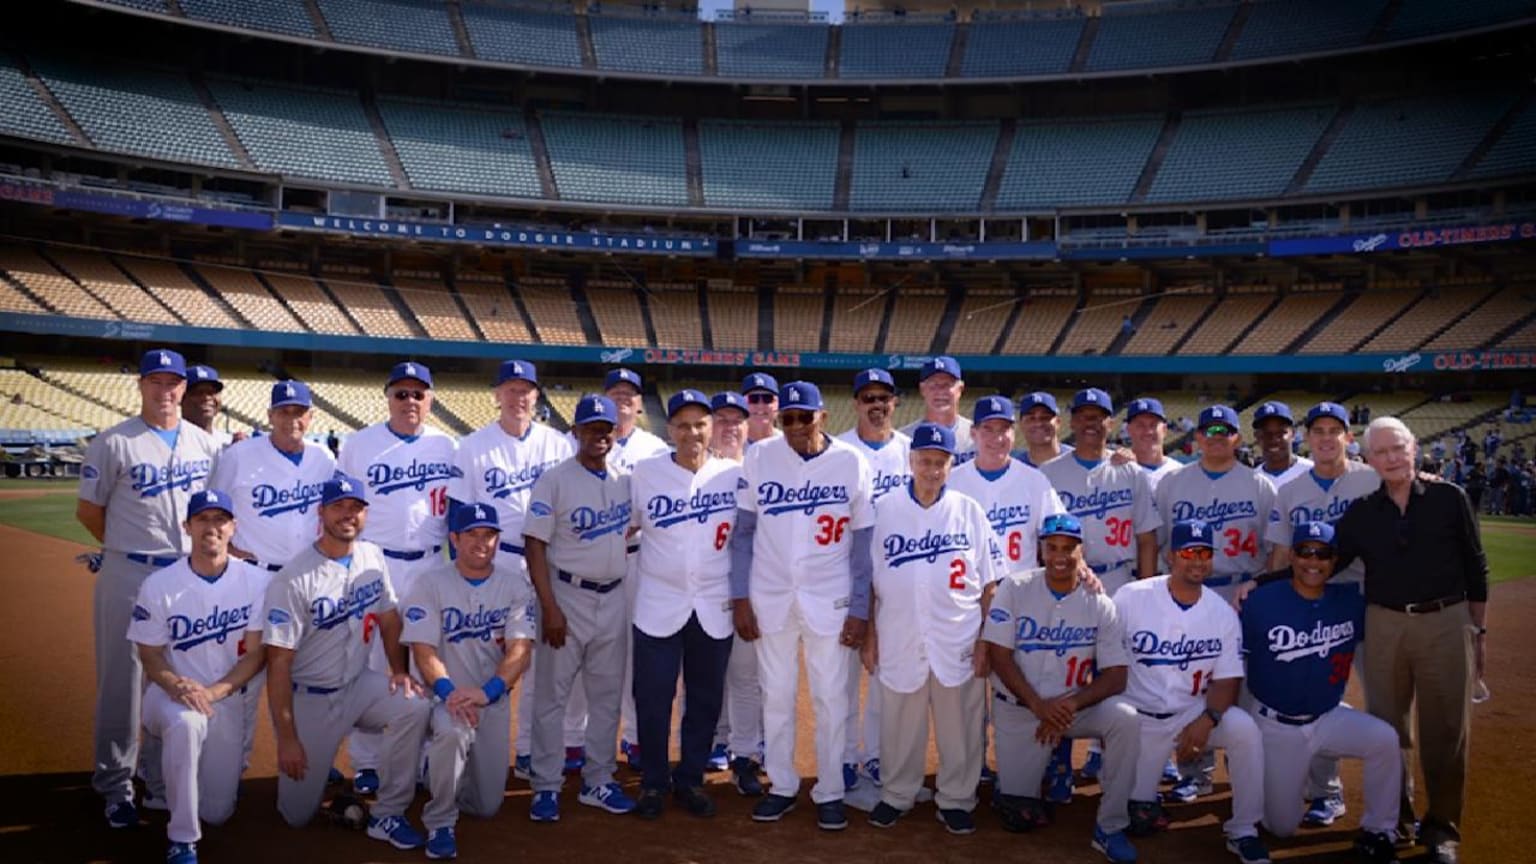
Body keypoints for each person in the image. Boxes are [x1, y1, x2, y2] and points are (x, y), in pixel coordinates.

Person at [1334, 417, 1488, 864]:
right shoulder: (1363, 511)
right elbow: (1329, 562)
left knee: (1446, 729)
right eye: (1380, 452)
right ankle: (1393, 821)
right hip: (1384, 622)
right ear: (1369, 459)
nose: (1391, 458)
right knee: (1387, 728)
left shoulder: (1449, 497)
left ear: (1414, 446)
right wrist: (1269, 580)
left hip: (1447, 618)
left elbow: (1476, 567)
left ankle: (1441, 828)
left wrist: (1479, 632)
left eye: (1397, 447)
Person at [77, 348, 219, 828]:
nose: (166, 391)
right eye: (156, 382)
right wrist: (123, 548)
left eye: (173, 382)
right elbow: (89, 512)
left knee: (175, 677)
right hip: (129, 571)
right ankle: (116, 784)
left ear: (184, 388)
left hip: (183, 574)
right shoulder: (115, 442)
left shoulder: (205, 444)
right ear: (141, 386)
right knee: (123, 681)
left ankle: (160, 782)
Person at [730, 381, 874, 831]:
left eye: (803, 417)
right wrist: (739, 596)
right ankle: (783, 786)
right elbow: (743, 534)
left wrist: (861, 607)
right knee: (775, 694)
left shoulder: (851, 462)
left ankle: (830, 789)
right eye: (786, 418)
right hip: (770, 594)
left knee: (832, 697)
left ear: (822, 417)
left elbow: (864, 543)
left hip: (830, 596)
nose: (794, 426)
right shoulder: (759, 456)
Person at [261, 473, 432, 848]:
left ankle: (388, 813)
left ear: (365, 514)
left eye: (355, 507)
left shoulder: (372, 556)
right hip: (311, 697)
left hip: (358, 684)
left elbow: (389, 619)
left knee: (414, 706)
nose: (347, 515)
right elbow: (278, 663)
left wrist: (400, 671)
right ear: (320, 513)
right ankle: (321, 778)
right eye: (338, 507)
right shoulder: (292, 579)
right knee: (296, 816)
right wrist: (288, 739)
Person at [862, 423, 1000, 834]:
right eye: (925, 461)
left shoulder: (968, 509)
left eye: (940, 462)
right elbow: (867, 580)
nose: (932, 469)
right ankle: (896, 794)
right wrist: (870, 636)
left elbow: (990, 582)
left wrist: (984, 641)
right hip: (899, 632)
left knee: (961, 725)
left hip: (957, 635)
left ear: (950, 464)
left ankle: (957, 798)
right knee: (899, 722)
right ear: (911, 461)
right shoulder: (882, 509)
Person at [982, 513, 1140, 864]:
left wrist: (1067, 706)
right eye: (1052, 546)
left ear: (1081, 551)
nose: (1060, 555)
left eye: (1069, 548)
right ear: (1040, 549)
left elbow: (1117, 676)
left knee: (1125, 718)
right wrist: (1039, 706)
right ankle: (1029, 780)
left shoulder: (1099, 602)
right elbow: (999, 656)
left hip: (1072, 710)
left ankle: (1111, 826)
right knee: (1019, 812)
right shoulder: (1015, 586)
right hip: (1021, 710)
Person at [1241, 522, 1401, 863]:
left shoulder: (1348, 601)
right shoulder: (1259, 602)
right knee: (1282, 827)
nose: (1313, 561)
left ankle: (1381, 830)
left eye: (1323, 553)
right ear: (1292, 557)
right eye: (1305, 551)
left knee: (1385, 739)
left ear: (1335, 561)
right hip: (1276, 725)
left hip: (1328, 717)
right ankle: (1273, 780)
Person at [445, 360, 572, 782]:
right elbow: (459, 513)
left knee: (537, 660)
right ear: (496, 395)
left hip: (545, 560)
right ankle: (466, 751)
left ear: (537, 396)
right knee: (483, 655)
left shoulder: (558, 444)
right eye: (510, 390)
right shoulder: (473, 446)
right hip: (491, 561)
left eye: (526, 390)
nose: (519, 398)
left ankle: (530, 751)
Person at [1115, 520, 1270, 864]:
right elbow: (1107, 655)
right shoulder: (1132, 597)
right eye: (1189, 553)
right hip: (1139, 718)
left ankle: (1244, 829)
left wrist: (1209, 719)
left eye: (1204, 553)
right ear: (1171, 557)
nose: (1197, 561)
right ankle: (1133, 789)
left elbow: (1228, 679)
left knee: (1244, 729)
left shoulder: (1221, 612)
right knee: (1133, 813)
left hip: (1192, 712)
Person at [336, 360, 458, 794]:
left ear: (431, 400)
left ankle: (423, 758)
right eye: (400, 393)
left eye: (418, 394)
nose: (409, 401)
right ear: (387, 397)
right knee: (371, 661)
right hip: (375, 560)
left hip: (430, 563)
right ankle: (366, 761)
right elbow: (342, 509)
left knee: (427, 657)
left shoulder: (448, 446)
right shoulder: (359, 444)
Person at [128, 489, 269, 864]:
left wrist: (215, 691)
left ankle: (174, 783)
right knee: (187, 724)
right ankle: (182, 838)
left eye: (220, 519)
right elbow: (149, 653)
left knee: (218, 812)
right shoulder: (159, 584)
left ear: (233, 527)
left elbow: (256, 654)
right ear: (187, 527)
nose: (212, 527)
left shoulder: (256, 581)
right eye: (203, 519)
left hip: (223, 695)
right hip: (170, 694)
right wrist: (177, 685)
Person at [207, 380, 336, 769]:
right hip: (255, 577)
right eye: (284, 411)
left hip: (308, 579)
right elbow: (214, 511)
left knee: (310, 673)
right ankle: (235, 761)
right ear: (270, 416)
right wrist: (227, 550)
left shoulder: (324, 460)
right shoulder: (239, 456)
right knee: (246, 677)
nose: (291, 419)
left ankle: (314, 758)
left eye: (299, 412)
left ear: (310, 417)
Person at [1039, 388, 1161, 798]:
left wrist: (1145, 590)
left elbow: (1147, 538)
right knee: (1064, 672)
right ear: (1072, 422)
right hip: (1067, 585)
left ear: (1111, 423)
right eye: (1084, 416)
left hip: (1122, 581)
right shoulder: (1051, 473)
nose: (1092, 423)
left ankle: (1110, 759)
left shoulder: (1129, 472)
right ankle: (1058, 763)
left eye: (1100, 416)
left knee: (1118, 674)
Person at [523, 394, 636, 821]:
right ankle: (546, 786)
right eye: (591, 428)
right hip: (566, 594)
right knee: (552, 697)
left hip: (613, 596)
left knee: (606, 699)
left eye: (606, 429)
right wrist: (549, 607)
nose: (600, 436)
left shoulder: (626, 479)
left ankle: (599, 780)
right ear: (576, 433)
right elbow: (534, 545)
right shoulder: (554, 480)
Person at [628, 390, 741, 820]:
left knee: (705, 699)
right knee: (653, 699)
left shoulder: (732, 477)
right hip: (658, 602)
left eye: (700, 424)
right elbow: (627, 526)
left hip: (713, 604)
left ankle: (690, 778)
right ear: (669, 430)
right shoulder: (644, 473)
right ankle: (654, 783)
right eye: (682, 425)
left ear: (711, 428)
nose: (691, 432)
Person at [403, 503, 537, 860]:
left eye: (489, 534)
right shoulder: (430, 583)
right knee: (453, 732)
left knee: (486, 806)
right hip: (446, 700)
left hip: (490, 700)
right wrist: (450, 694)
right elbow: (423, 651)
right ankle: (440, 820)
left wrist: (486, 693)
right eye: (472, 534)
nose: (482, 542)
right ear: (454, 539)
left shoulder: (514, 585)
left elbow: (520, 650)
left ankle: (441, 772)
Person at [585, 368, 670, 774]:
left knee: (638, 652)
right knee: (589, 649)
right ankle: (576, 738)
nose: (623, 400)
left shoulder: (656, 448)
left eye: (629, 394)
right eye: (615, 392)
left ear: (640, 403)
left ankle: (634, 736)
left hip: (638, 557)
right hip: (588, 559)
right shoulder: (583, 440)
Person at [835, 368, 912, 792]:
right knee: (843, 676)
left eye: (884, 396)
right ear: (856, 403)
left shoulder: (909, 452)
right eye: (868, 397)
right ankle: (845, 757)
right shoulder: (839, 451)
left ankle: (878, 756)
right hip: (847, 575)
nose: (877, 404)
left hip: (898, 577)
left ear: (895, 402)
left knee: (887, 674)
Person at [708, 390, 765, 793]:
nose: (730, 427)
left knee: (746, 675)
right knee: (705, 674)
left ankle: (745, 752)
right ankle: (713, 740)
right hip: (705, 589)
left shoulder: (763, 469)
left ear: (748, 426)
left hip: (751, 586)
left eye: (737, 420)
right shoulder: (696, 471)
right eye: (722, 420)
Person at [898, 356, 975, 466]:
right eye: (933, 385)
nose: (940, 391)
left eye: (947, 385)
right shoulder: (904, 439)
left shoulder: (978, 436)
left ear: (960, 389)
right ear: (922, 389)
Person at [1250, 402, 1312, 488]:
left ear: (1293, 434)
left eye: (1281, 433)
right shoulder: (1250, 481)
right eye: (1266, 434)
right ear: (1257, 437)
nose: (1274, 439)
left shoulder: (1314, 472)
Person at [1124, 397, 1180, 493]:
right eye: (1140, 425)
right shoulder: (1118, 472)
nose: (1148, 432)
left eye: (1153, 425)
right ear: (1129, 430)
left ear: (1164, 430)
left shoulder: (1180, 474)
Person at [181, 365, 243, 448]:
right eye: (198, 392)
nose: (206, 397)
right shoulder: (173, 441)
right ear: (181, 398)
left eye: (212, 392)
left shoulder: (228, 442)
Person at [1016, 392, 1072, 467]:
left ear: (1058, 422)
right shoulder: (1014, 468)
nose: (1038, 424)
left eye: (1045, 418)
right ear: (1021, 425)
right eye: (1031, 419)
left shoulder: (1079, 461)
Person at [741, 372, 780, 445]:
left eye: (767, 398)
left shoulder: (790, 444)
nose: (760, 405)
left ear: (777, 404)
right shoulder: (732, 444)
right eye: (753, 399)